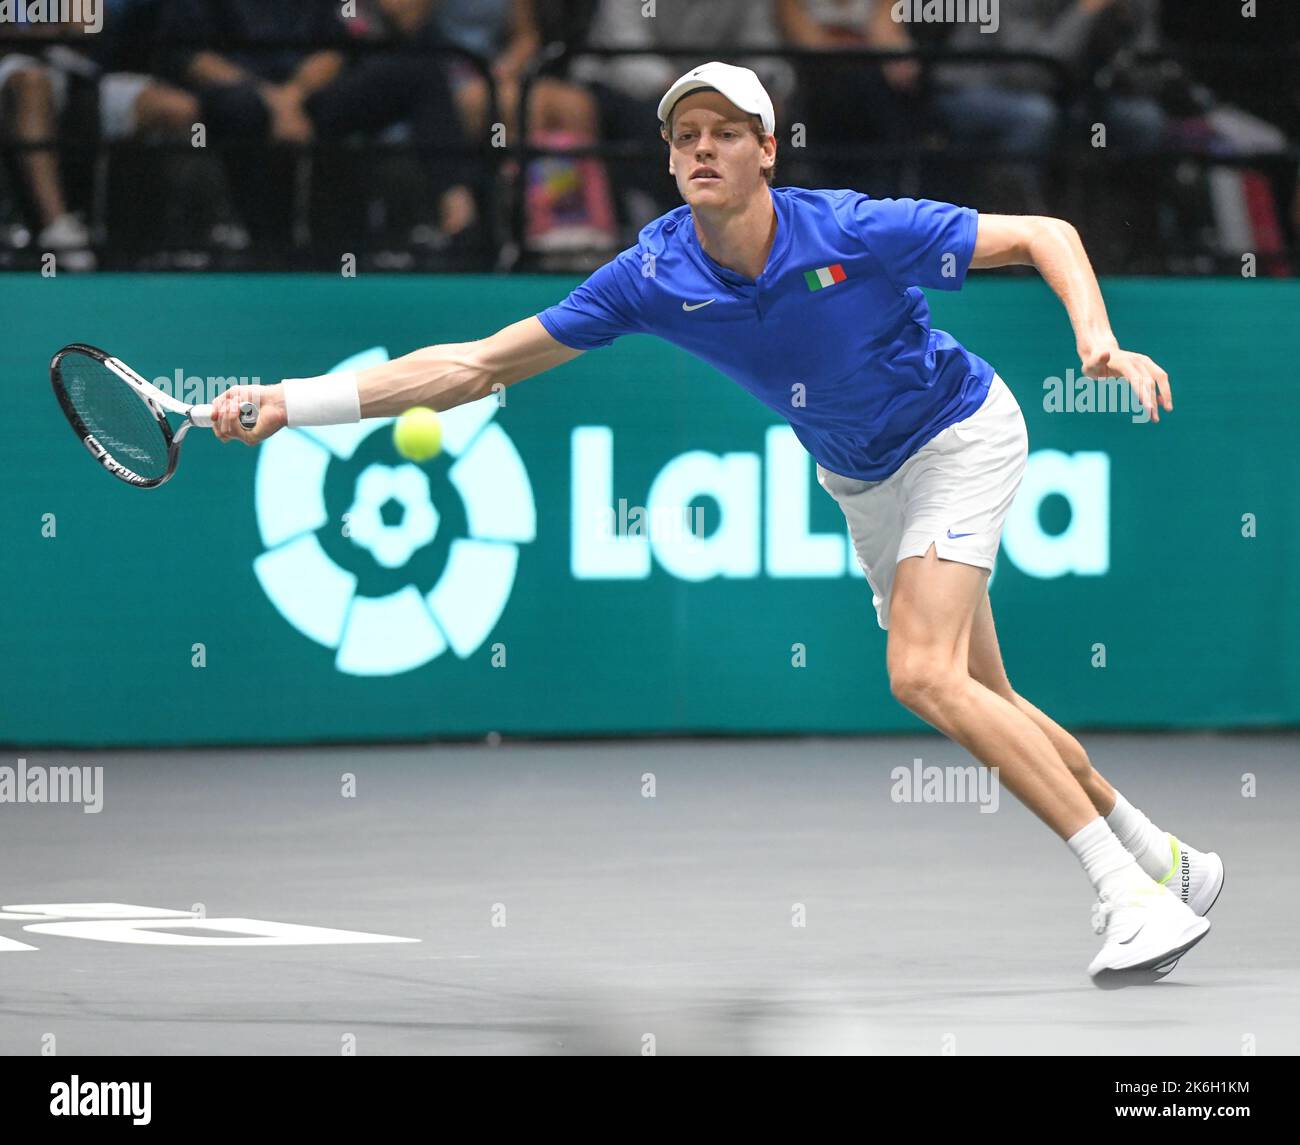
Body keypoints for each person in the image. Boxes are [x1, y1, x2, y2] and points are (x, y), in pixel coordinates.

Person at [210, 61, 1220, 985]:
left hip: (958, 433)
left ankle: (1126, 896)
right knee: (985, 693)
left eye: (726, 131)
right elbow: (475, 362)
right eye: (684, 133)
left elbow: (1048, 234)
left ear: (768, 151)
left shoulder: (853, 228)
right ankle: (1165, 860)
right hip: (859, 479)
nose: (700, 148)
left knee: (919, 673)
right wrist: (297, 400)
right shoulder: (653, 275)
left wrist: (1096, 342)